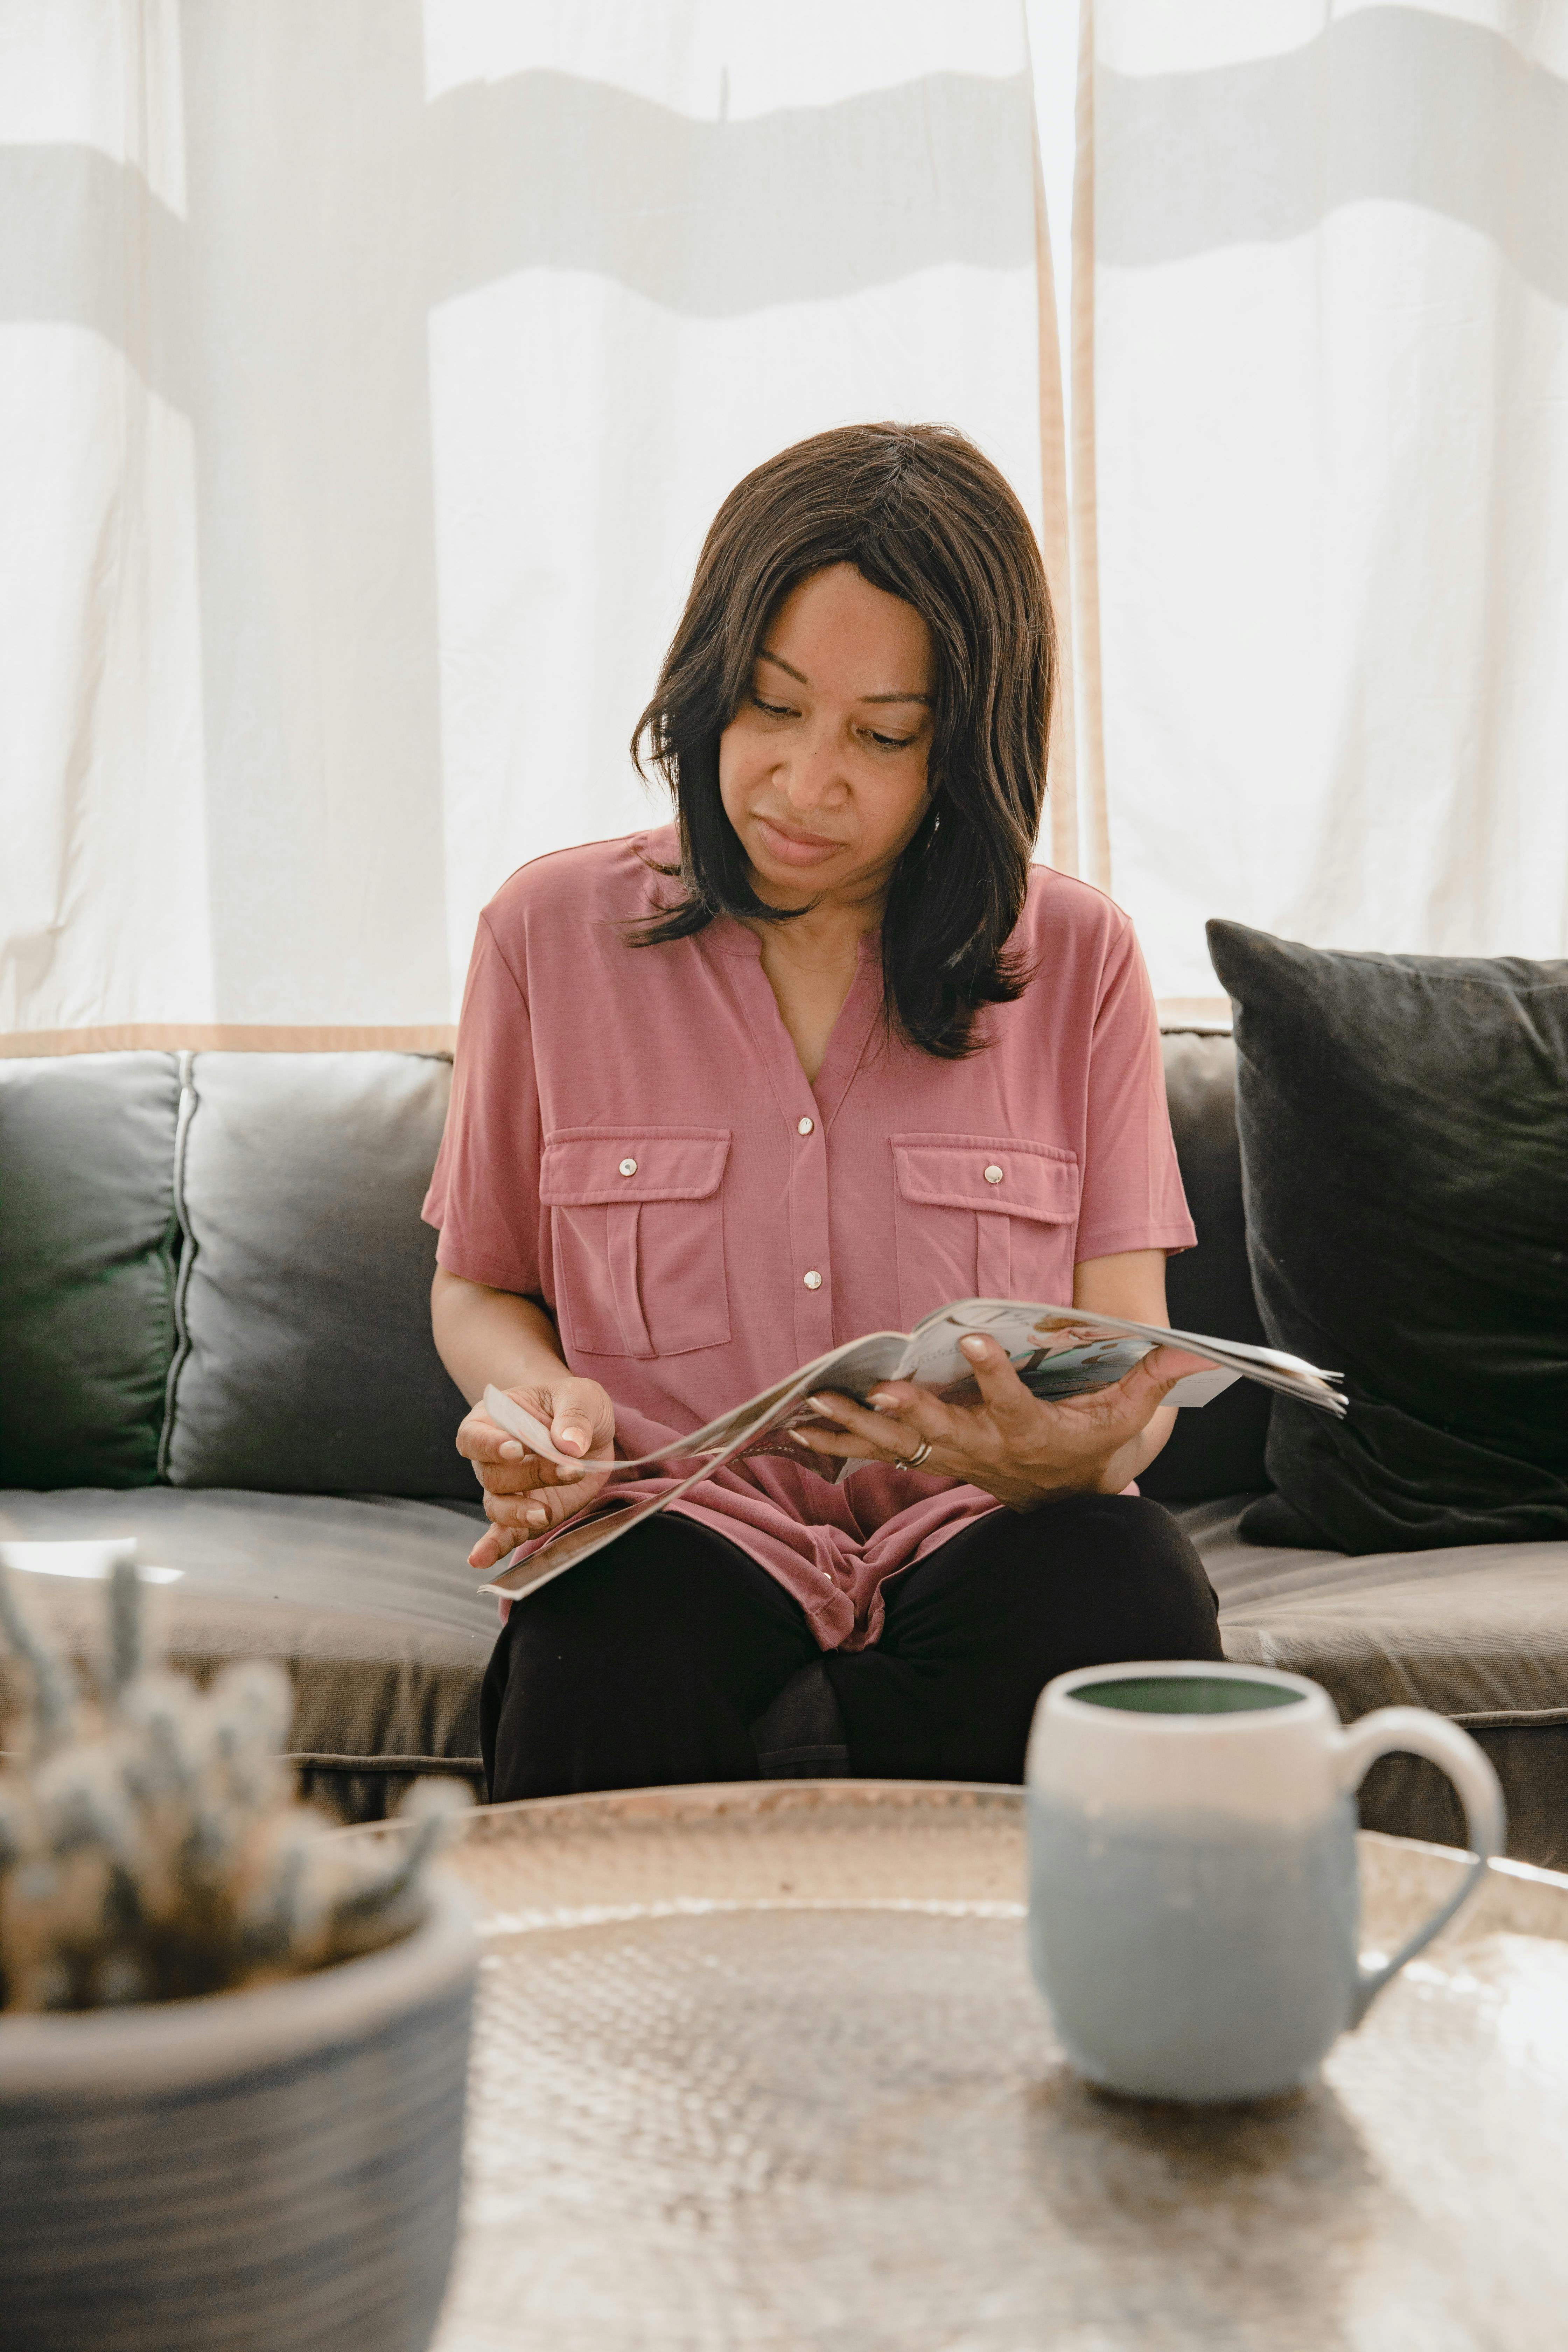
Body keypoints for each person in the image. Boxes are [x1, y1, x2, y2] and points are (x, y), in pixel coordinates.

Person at [424, 421, 1225, 1803]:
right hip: (679, 1517)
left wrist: (1079, 1449)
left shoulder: (1081, 958)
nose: (805, 785)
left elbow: (1129, 1362)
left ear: (962, 750)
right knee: (593, 1650)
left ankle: (1061, 2022)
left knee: (1130, 1595)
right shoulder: (544, 934)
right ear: (707, 687)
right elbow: (479, 1288)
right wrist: (542, 1403)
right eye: (771, 708)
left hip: (991, 1525)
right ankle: (616, 2026)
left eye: (883, 736)